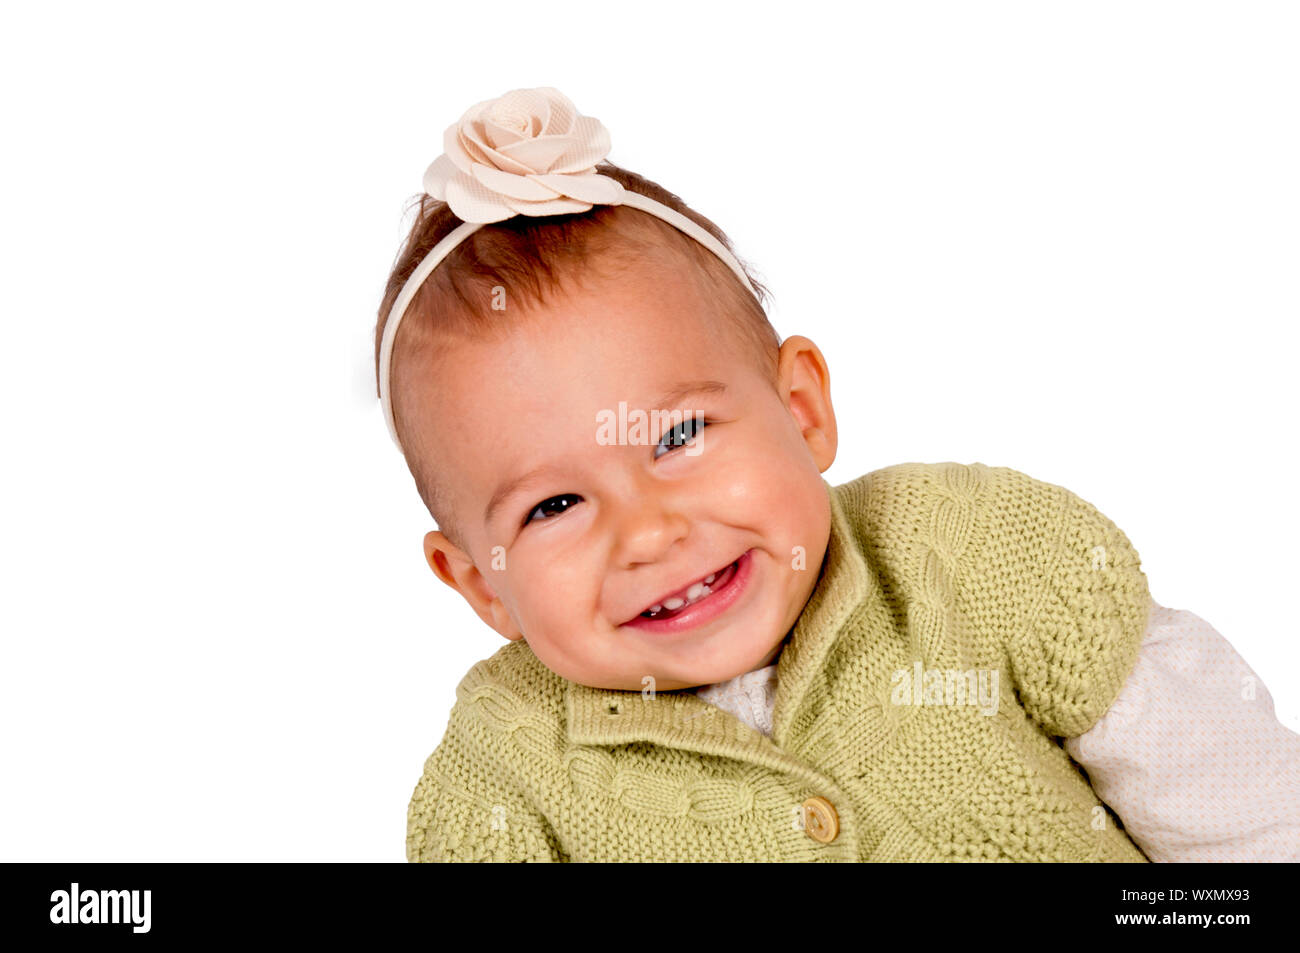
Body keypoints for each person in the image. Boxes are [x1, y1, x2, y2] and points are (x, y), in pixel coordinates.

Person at [374, 87, 1300, 861]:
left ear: (802, 409)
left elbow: (1242, 815)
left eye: (681, 433)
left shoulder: (980, 560)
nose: (650, 531)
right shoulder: (505, 773)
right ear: (478, 582)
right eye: (556, 504)